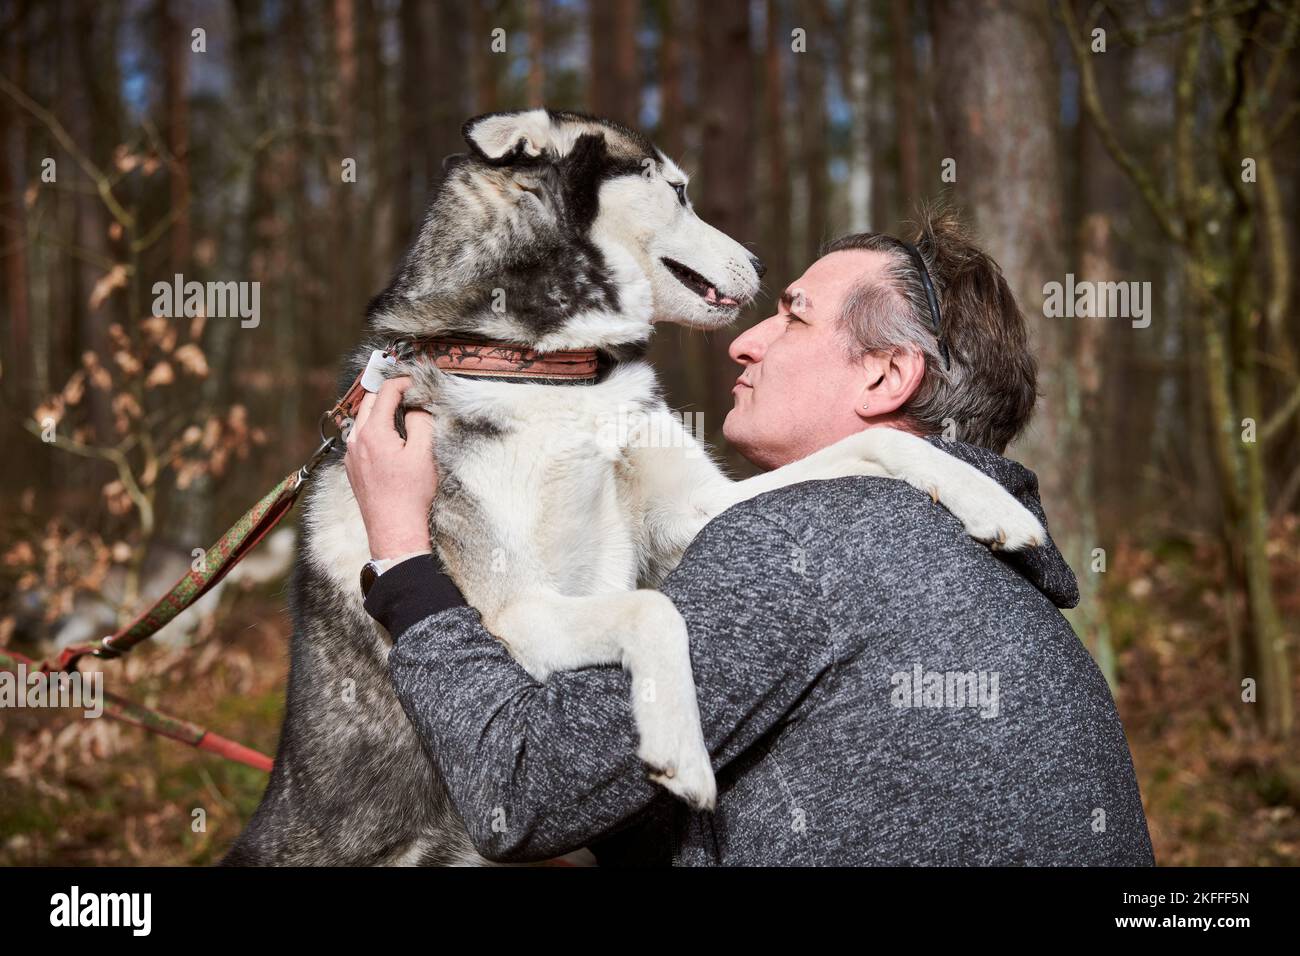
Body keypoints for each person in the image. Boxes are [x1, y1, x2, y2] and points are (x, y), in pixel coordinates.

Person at [343, 209, 1155, 866]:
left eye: (793, 317)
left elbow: (519, 792)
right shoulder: (1008, 592)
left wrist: (404, 557)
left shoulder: (810, 544)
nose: (744, 339)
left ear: (885, 376)